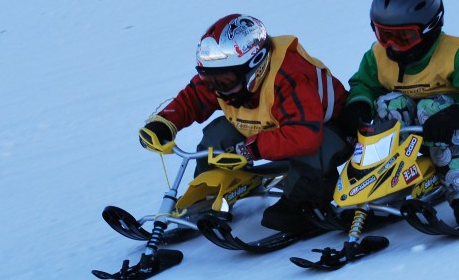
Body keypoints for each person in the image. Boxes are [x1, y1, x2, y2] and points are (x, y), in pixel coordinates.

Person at [138, 14, 350, 233]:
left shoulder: (290, 75)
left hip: (327, 130)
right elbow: (193, 98)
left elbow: (304, 136)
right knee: (218, 135)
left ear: (255, 67)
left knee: (316, 151)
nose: (216, 90)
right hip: (270, 126)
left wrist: (250, 149)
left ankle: (303, 203)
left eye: (225, 82)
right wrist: (164, 123)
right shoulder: (223, 77)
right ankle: (210, 195)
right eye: (209, 82)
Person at [339, 0, 459, 226]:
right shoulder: (377, 57)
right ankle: (383, 189)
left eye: (403, 38)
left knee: (431, 107)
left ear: (430, 28)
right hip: (416, 129)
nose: (391, 46)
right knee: (388, 104)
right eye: (383, 35)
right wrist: (358, 104)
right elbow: (364, 84)